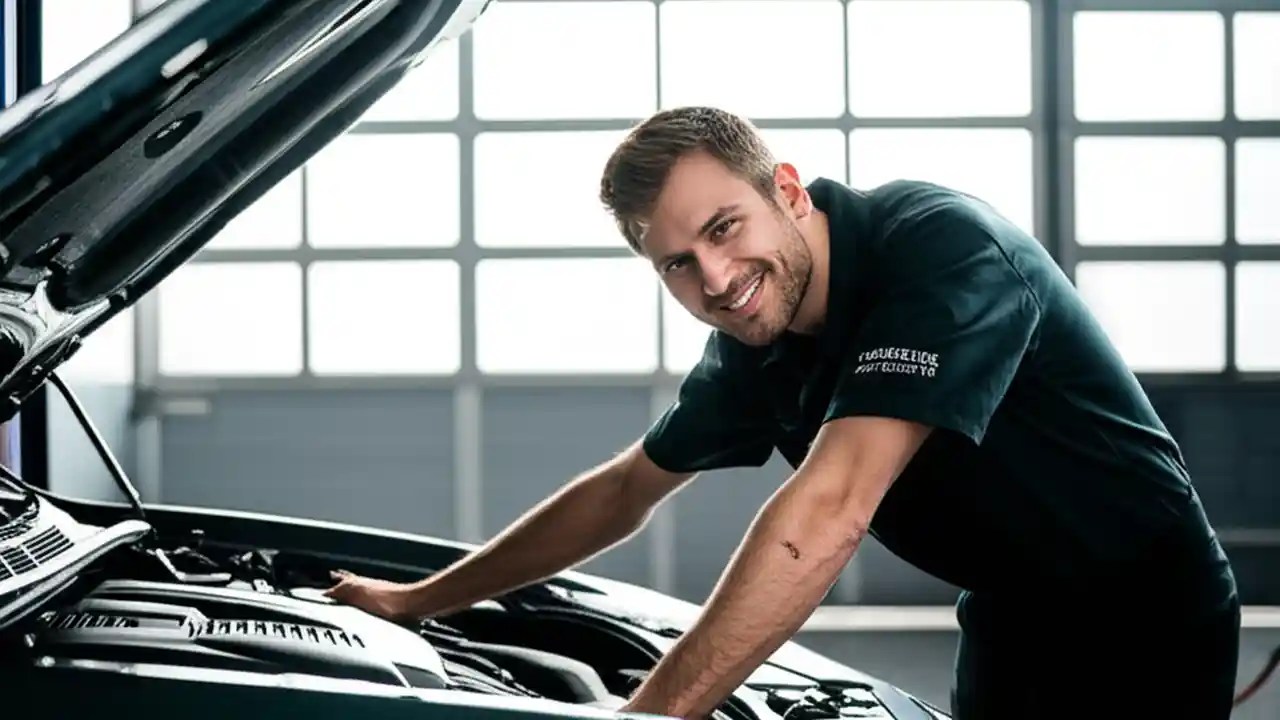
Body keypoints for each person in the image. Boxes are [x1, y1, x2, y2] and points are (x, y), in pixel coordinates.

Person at [325, 106, 1241, 719]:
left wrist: (650, 717)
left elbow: (830, 508)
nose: (714, 280)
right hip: (1011, 614)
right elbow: (624, 490)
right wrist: (417, 598)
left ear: (788, 192)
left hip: (1144, 612)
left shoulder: (943, 253)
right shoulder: (754, 347)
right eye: (676, 264)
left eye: (723, 228)